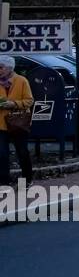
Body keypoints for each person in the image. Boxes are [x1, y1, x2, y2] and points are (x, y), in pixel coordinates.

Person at [0, 55, 35, 188]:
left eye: (1, 67)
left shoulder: (21, 81)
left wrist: (14, 104)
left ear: (10, 68)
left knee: (22, 152)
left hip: (18, 123)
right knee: (2, 154)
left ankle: (27, 180)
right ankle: (4, 182)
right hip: (1, 124)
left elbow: (29, 101)